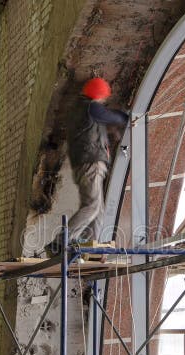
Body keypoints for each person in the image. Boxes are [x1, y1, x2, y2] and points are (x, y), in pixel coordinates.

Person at [46, 77, 129, 255]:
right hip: (91, 164)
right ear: (98, 95)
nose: (102, 102)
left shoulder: (77, 112)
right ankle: (61, 242)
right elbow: (110, 116)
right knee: (91, 206)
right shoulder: (90, 107)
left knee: (98, 210)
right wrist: (126, 116)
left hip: (82, 164)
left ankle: (92, 249)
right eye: (102, 98)